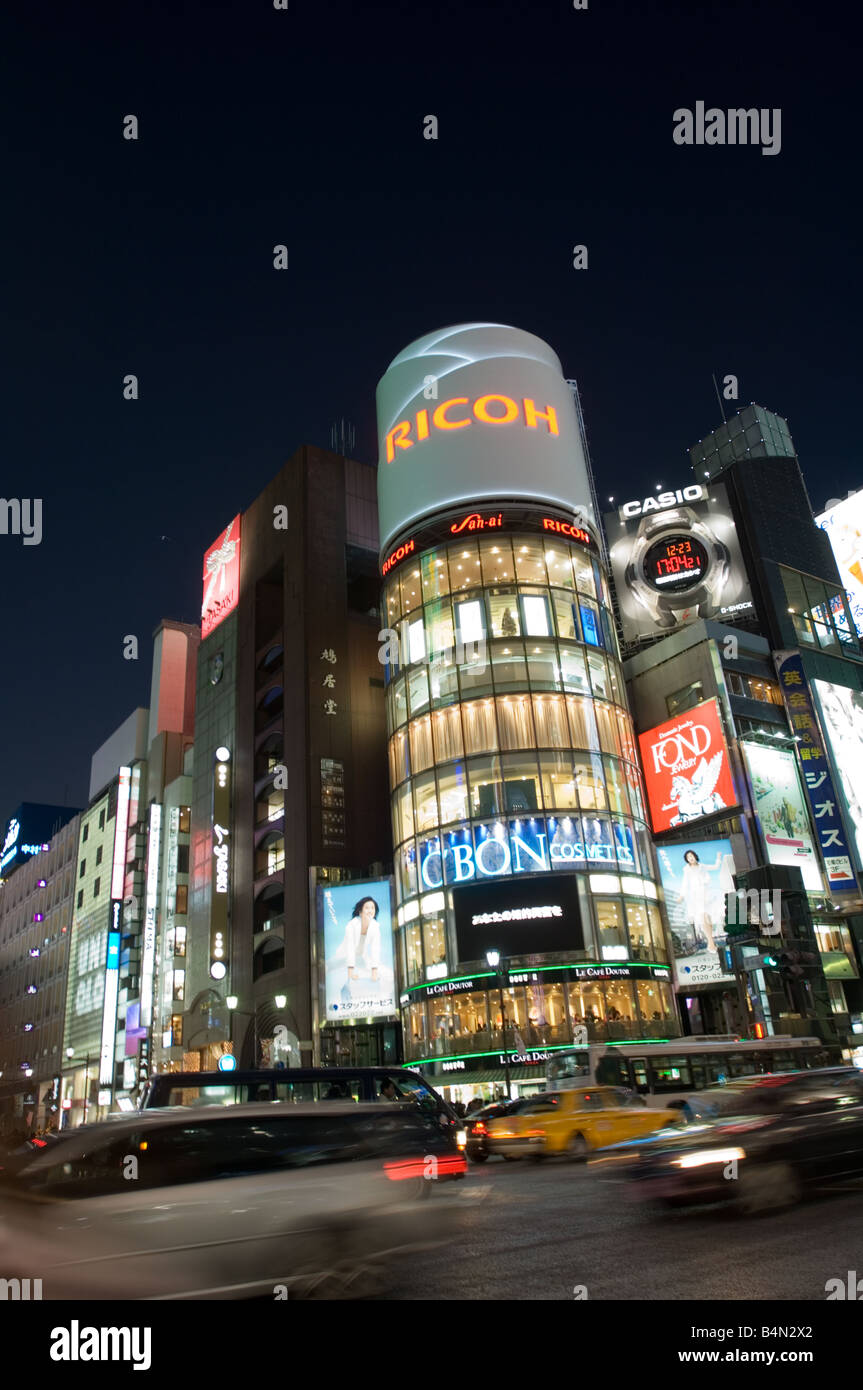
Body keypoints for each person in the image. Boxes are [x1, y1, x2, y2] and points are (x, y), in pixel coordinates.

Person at [342, 896, 382, 984]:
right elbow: (350, 948)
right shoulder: (351, 925)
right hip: (343, 954)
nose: (370, 911)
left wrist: (374, 973)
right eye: (367, 908)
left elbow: (375, 949)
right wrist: (350, 974)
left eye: (372, 908)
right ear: (360, 912)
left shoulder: (375, 926)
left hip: (361, 956)